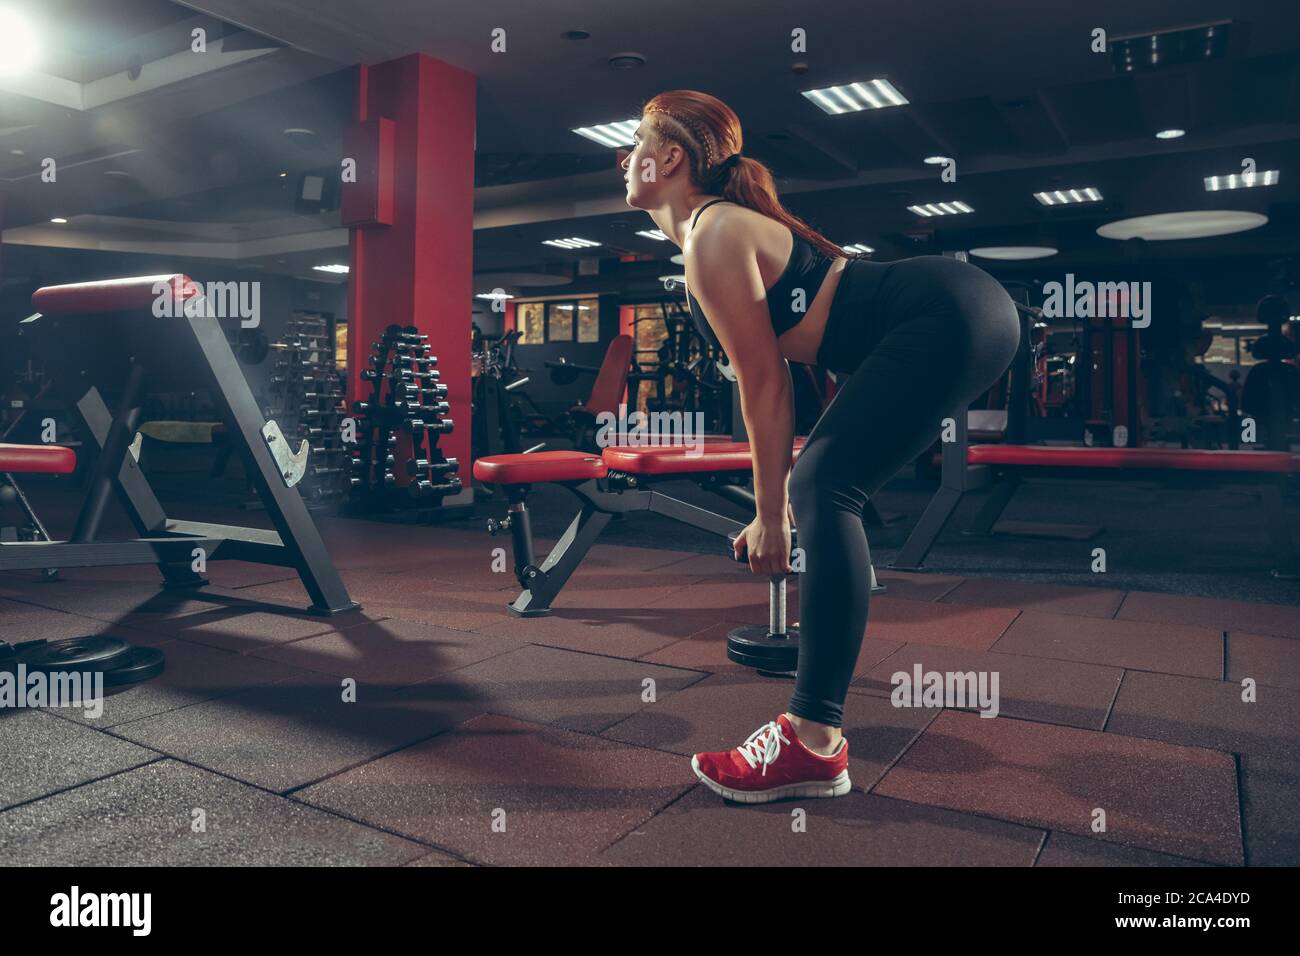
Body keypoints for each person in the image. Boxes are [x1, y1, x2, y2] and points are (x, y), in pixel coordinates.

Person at [622, 90, 1021, 803]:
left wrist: (772, 512)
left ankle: (811, 742)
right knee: (828, 483)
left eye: (635, 143)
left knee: (820, 488)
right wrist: (775, 504)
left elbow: (766, 385)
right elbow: (796, 372)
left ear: (670, 157)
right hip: (959, 310)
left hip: (944, 311)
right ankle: (814, 739)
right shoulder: (715, 232)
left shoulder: (714, 234)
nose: (624, 159)